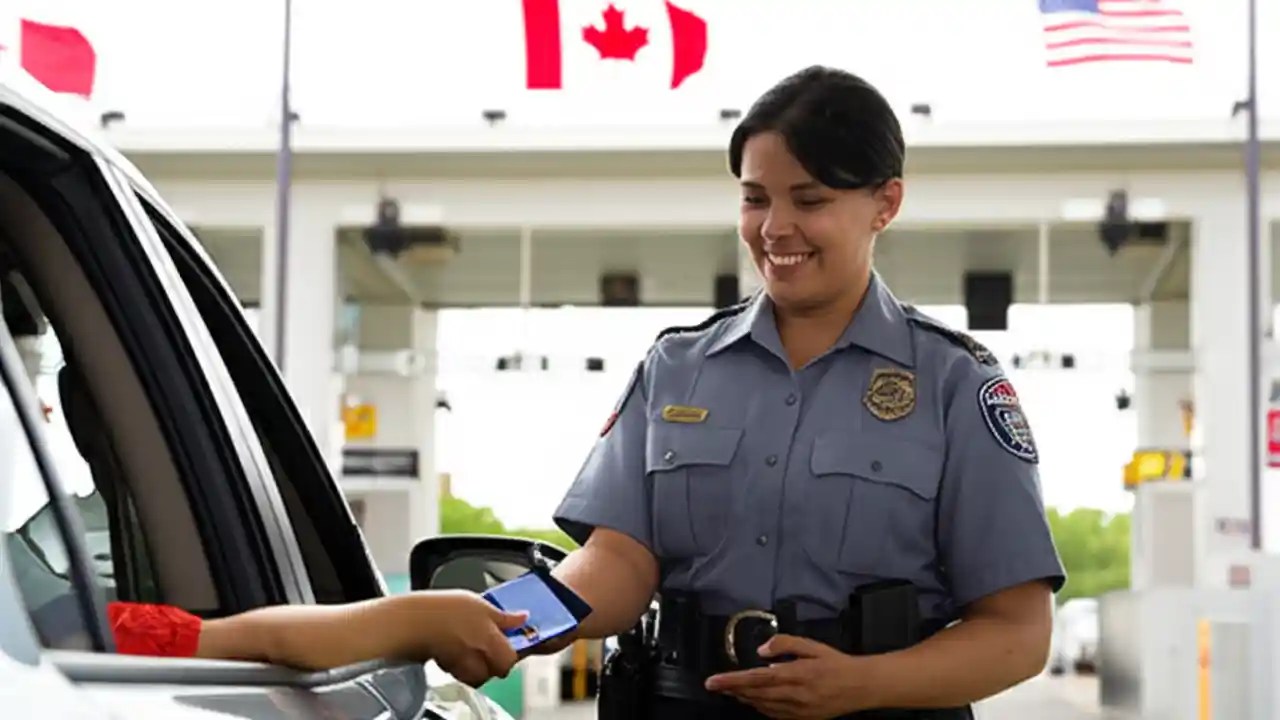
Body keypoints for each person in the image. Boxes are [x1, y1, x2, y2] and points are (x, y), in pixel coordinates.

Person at [530, 65, 1067, 719]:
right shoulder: (675, 367)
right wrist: (504, 621)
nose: (775, 228)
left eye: (809, 201)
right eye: (755, 199)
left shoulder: (956, 383)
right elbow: (615, 565)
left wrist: (863, 686)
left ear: (885, 204)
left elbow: (1018, 632)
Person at [106, 591, 527, 686]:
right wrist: (424, 620)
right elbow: (266, 639)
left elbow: (266, 637)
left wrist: (429, 619)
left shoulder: (75, 625)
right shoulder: (107, 629)